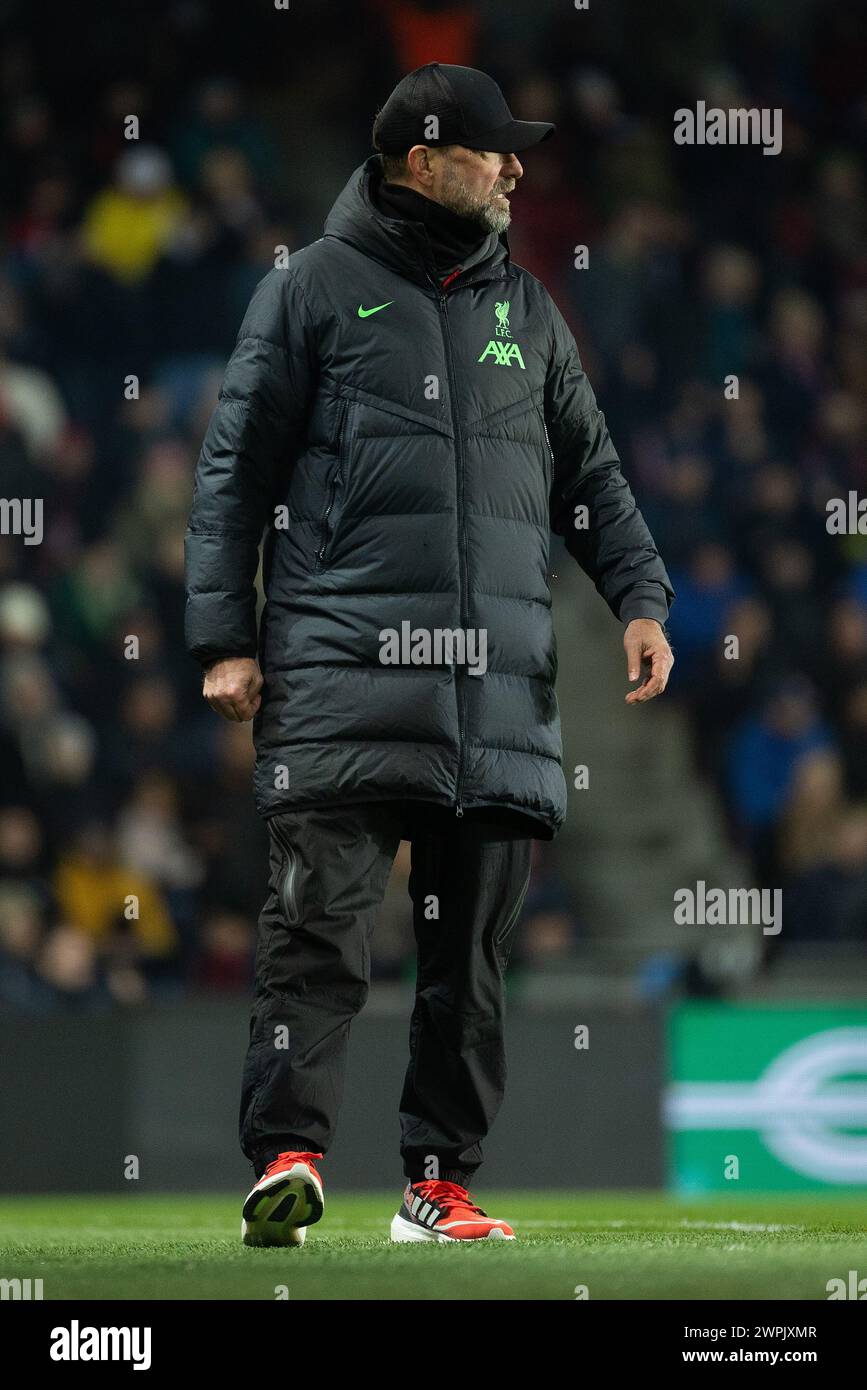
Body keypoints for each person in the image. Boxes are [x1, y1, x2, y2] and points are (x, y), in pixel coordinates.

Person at [184, 62, 674, 1246]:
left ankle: (436, 1184)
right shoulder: (307, 292)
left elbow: (592, 476)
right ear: (420, 161)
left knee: (472, 969)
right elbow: (235, 471)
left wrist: (642, 597)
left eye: (517, 151)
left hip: (497, 695)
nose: (515, 168)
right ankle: (287, 1160)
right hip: (344, 678)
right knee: (321, 935)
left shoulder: (528, 309)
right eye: (492, 150)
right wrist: (224, 637)